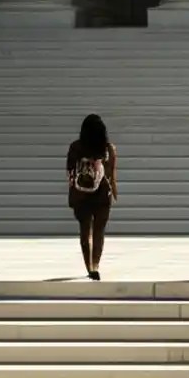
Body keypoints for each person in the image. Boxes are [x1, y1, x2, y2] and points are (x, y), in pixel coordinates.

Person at [66, 113, 118, 281]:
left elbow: (69, 172)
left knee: (85, 232)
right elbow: (111, 174)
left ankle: (89, 267)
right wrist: (114, 191)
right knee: (98, 232)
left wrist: (73, 190)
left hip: (81, 195)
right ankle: (95, 265)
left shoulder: (75, 147)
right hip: (102, 195)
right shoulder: (108, 149)